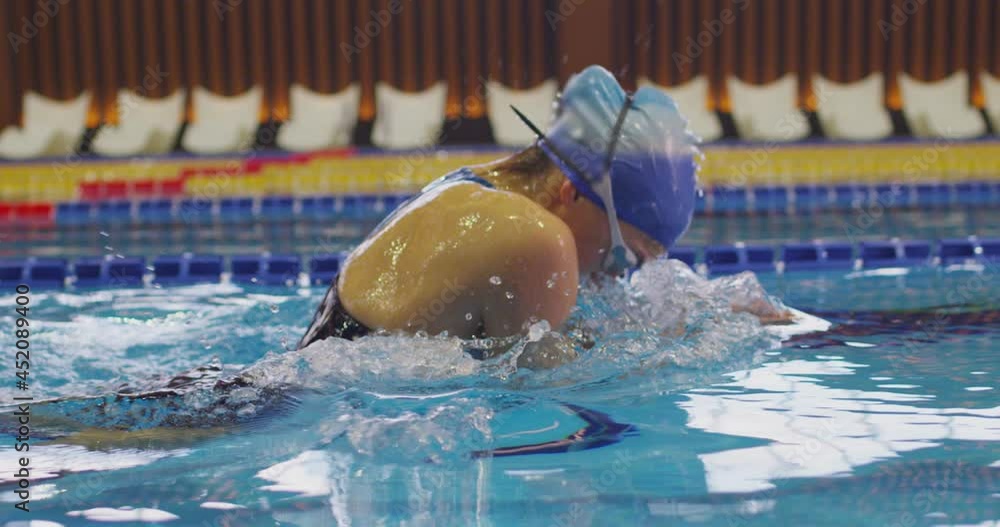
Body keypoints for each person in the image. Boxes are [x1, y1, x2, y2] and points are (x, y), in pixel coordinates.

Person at [298, 65, 785, 364]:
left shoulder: (479, 186)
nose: (612, 277)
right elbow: (555, 388)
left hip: (293, 390)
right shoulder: (538, 237)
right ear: (572, 191)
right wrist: (690, 343)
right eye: (622, 256)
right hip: (311, 407)